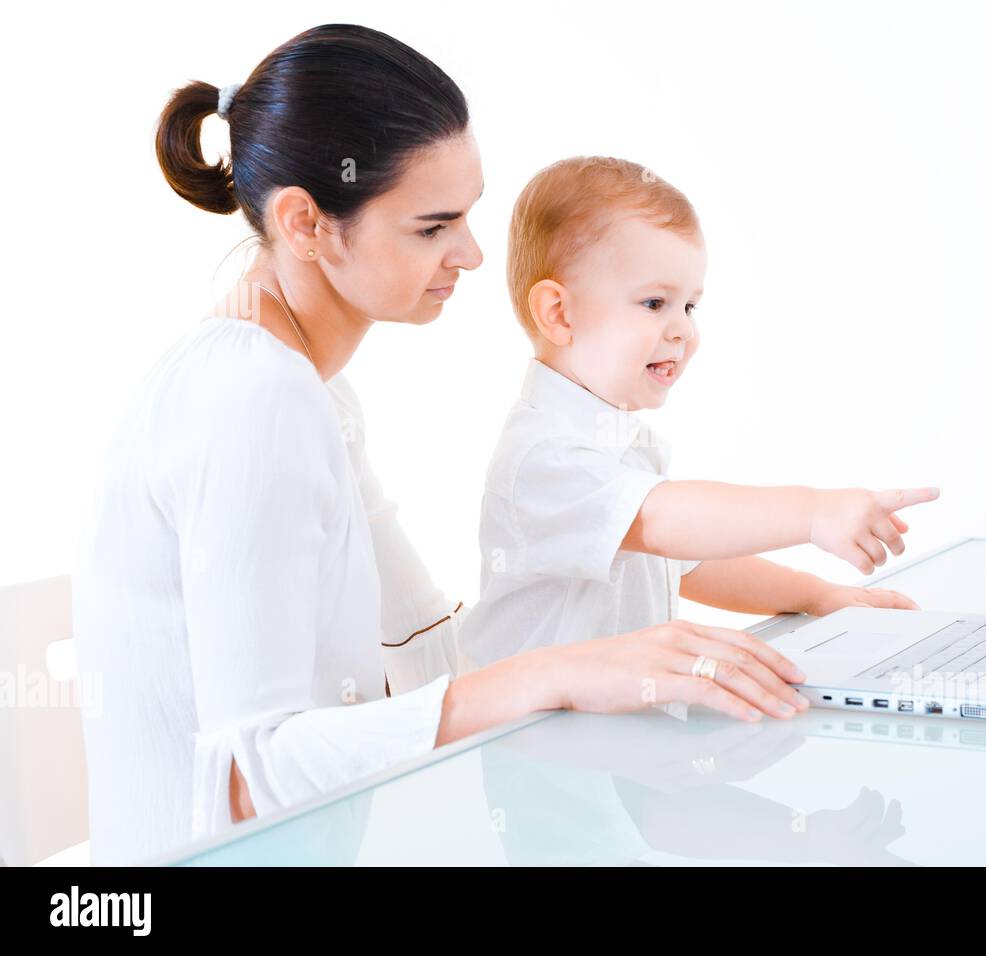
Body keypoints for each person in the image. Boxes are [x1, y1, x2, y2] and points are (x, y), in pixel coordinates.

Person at [71, 22, 808, 867]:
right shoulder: (254, 399)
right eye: (432, 226)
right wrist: (555, 675)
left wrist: (613, 661)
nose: (471, 252)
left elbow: (429, 656)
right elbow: (251, 774)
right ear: (306, 221)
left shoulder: (307, 390)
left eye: (469, 214)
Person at [456, 155, 940, 670]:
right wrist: (813, 511)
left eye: (690, 306)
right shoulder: (545, 453)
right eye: (654, 303)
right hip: (530, 737)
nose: (683, 330)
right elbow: (667, 522)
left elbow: (689, 563)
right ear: (559, 313)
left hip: (605, 727)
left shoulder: (615, 442)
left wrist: (818, 596)